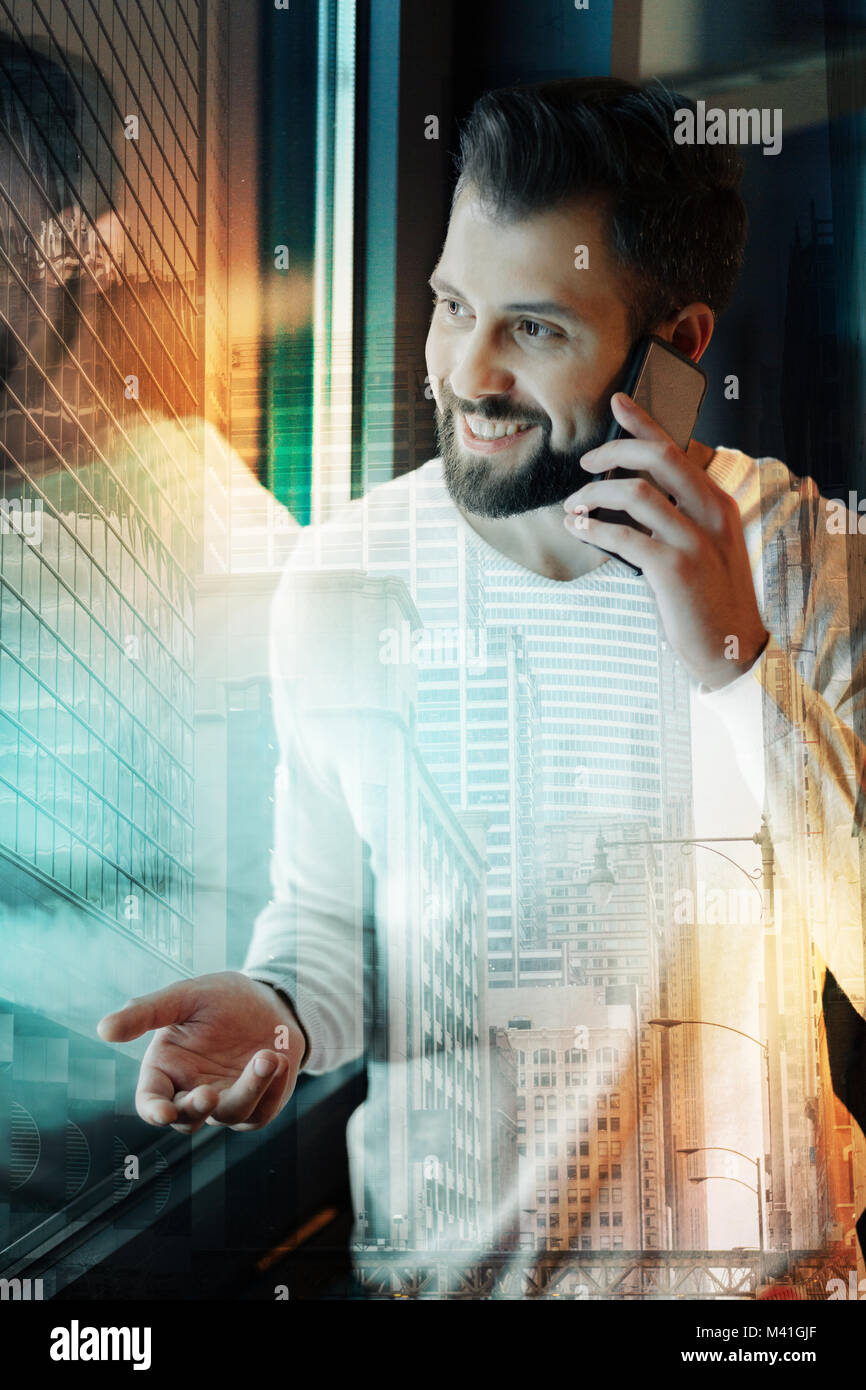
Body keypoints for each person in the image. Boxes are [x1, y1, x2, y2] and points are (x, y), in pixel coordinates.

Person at [98, 77, 866, 1276]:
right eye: (452, 302)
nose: (465, 371)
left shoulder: (807, 559)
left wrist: (737, 667)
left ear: (678, 348)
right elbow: (333, 931)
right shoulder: (344, 575)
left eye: (535, 328)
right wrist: (283, 1011)